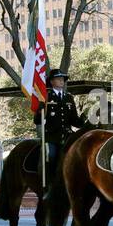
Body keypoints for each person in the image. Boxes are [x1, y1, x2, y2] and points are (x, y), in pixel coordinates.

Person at [36, 69, 86, 200]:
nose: (61, 81)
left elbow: (74, 120)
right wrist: (40, 110)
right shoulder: (46, 96)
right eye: (58, 79)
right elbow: (37, 120)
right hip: (52, 137)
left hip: (68, 136)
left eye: (63, 79)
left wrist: (84, 119)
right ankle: (49, 186)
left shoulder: (69, 97)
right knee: (51, 156)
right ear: (52, 81)